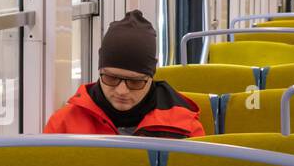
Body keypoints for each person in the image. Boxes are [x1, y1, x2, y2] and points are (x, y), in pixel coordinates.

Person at [44, 10, 204, 138]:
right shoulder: (63, 125)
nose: (121, 91)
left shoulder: (184, 128)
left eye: (134, 82)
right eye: (111, 78)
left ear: (151, 78)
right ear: (100, 72)